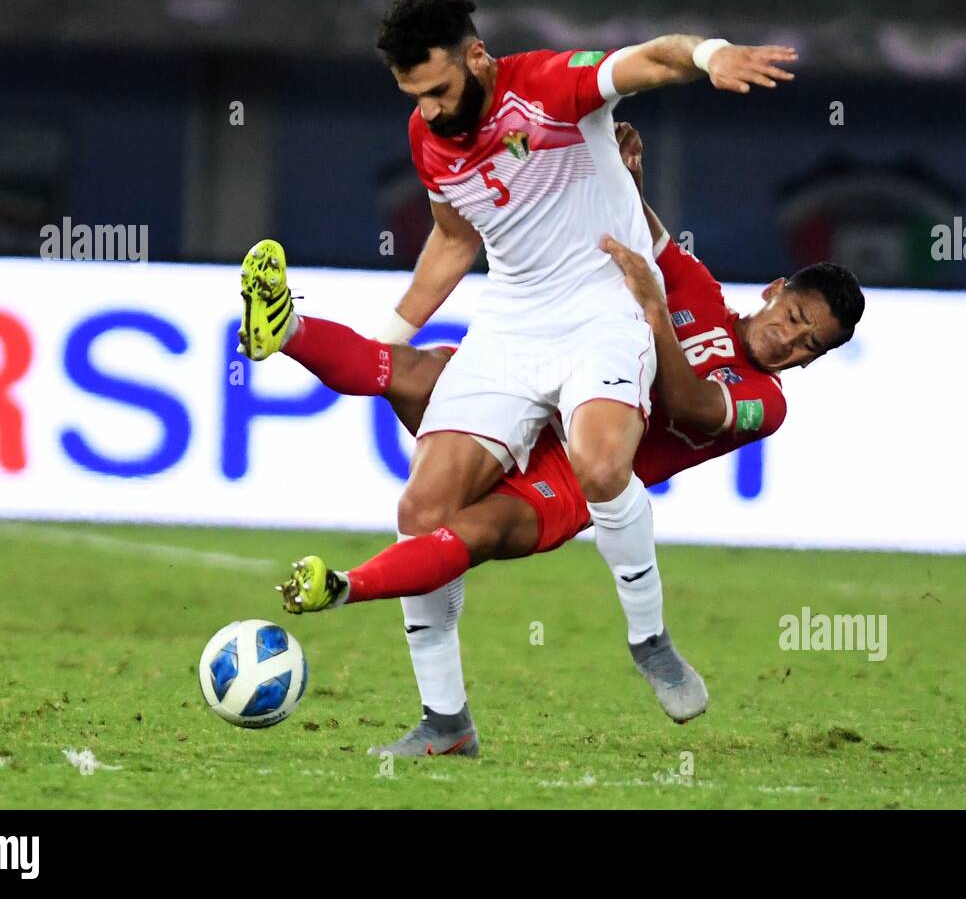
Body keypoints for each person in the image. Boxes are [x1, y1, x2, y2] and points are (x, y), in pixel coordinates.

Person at [242, 122, 864, 755]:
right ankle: (285, 327)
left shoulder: (767, 403)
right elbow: (637, 232)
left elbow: (688, 404)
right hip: (544, 392)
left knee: (474, 532)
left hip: (572, 476)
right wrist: (625, 174)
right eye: (793, 319)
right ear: (774, 290)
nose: (790, 342)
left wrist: (653, 314)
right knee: (418, 380)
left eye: (809, 345)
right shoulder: (696, 288)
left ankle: (644, 640)